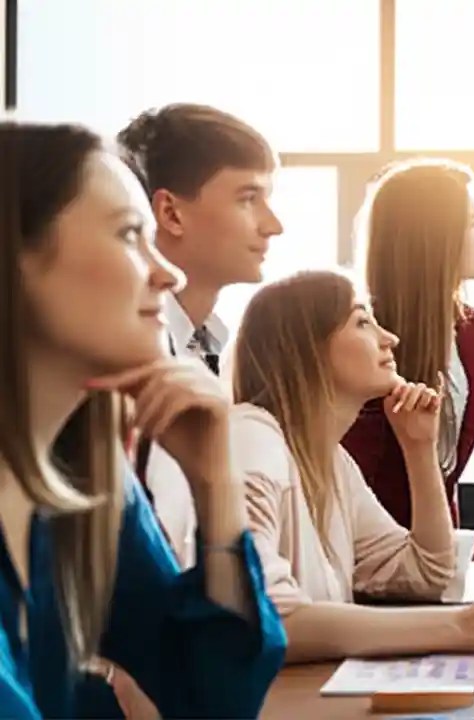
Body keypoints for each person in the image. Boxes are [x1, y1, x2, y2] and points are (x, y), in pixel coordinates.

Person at [0, 120, 286, 718]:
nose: (168, 273)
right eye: (131, 235)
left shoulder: (93, 482)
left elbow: (211, 700)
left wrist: (215, 481)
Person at [234, 270, 474, 662]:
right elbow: (261, 617)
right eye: (362, 322)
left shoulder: (334, 464)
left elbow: (426, 573)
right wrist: (463, 627)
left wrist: (419, 448)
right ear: (305, 347)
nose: (389, 338)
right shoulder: (251, 437)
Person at [340, 158, 474, 561]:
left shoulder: (472, 331)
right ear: (434, 236)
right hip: (375, 577)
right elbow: (350, 519)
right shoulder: (362, 341)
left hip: (436, 572)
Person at [116, 102, 284, 569]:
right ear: (170, 212)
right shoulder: (117, 364)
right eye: (248, 198)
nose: (273, 224)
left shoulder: (209, 350)